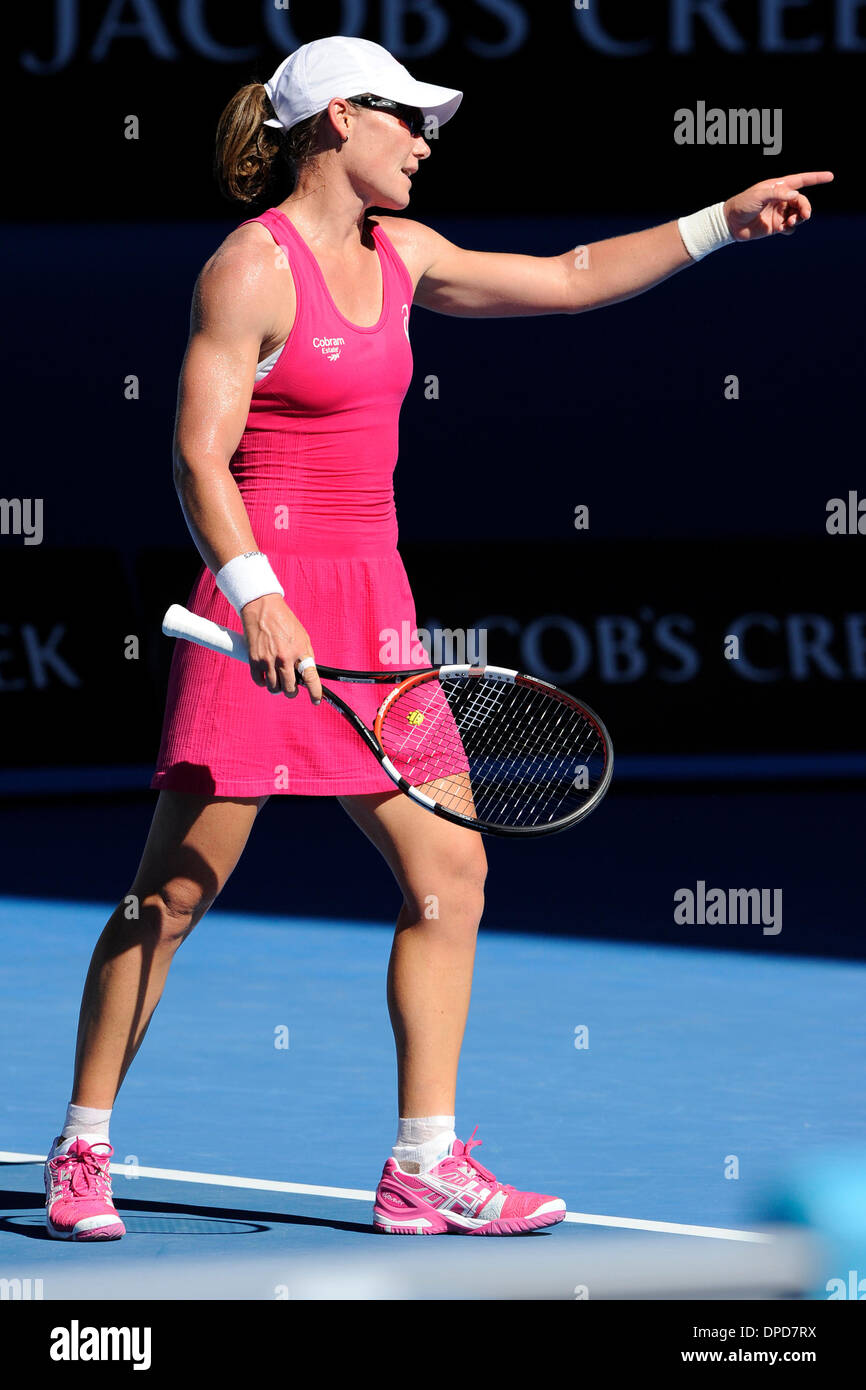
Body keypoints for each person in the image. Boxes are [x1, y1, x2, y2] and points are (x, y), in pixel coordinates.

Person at [44, 35, 832, 1240]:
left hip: (376, 604)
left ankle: (424, 1166)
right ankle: (84, 1147)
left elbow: (566, 278)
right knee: (176, 892)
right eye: (405, 119)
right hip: (258, 595)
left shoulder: (403, 254)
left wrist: (717, 221)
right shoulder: (246, 271)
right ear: (335, 124)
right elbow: (197, 454)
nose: (422, 141)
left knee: (449, 875)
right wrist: (256, 595)